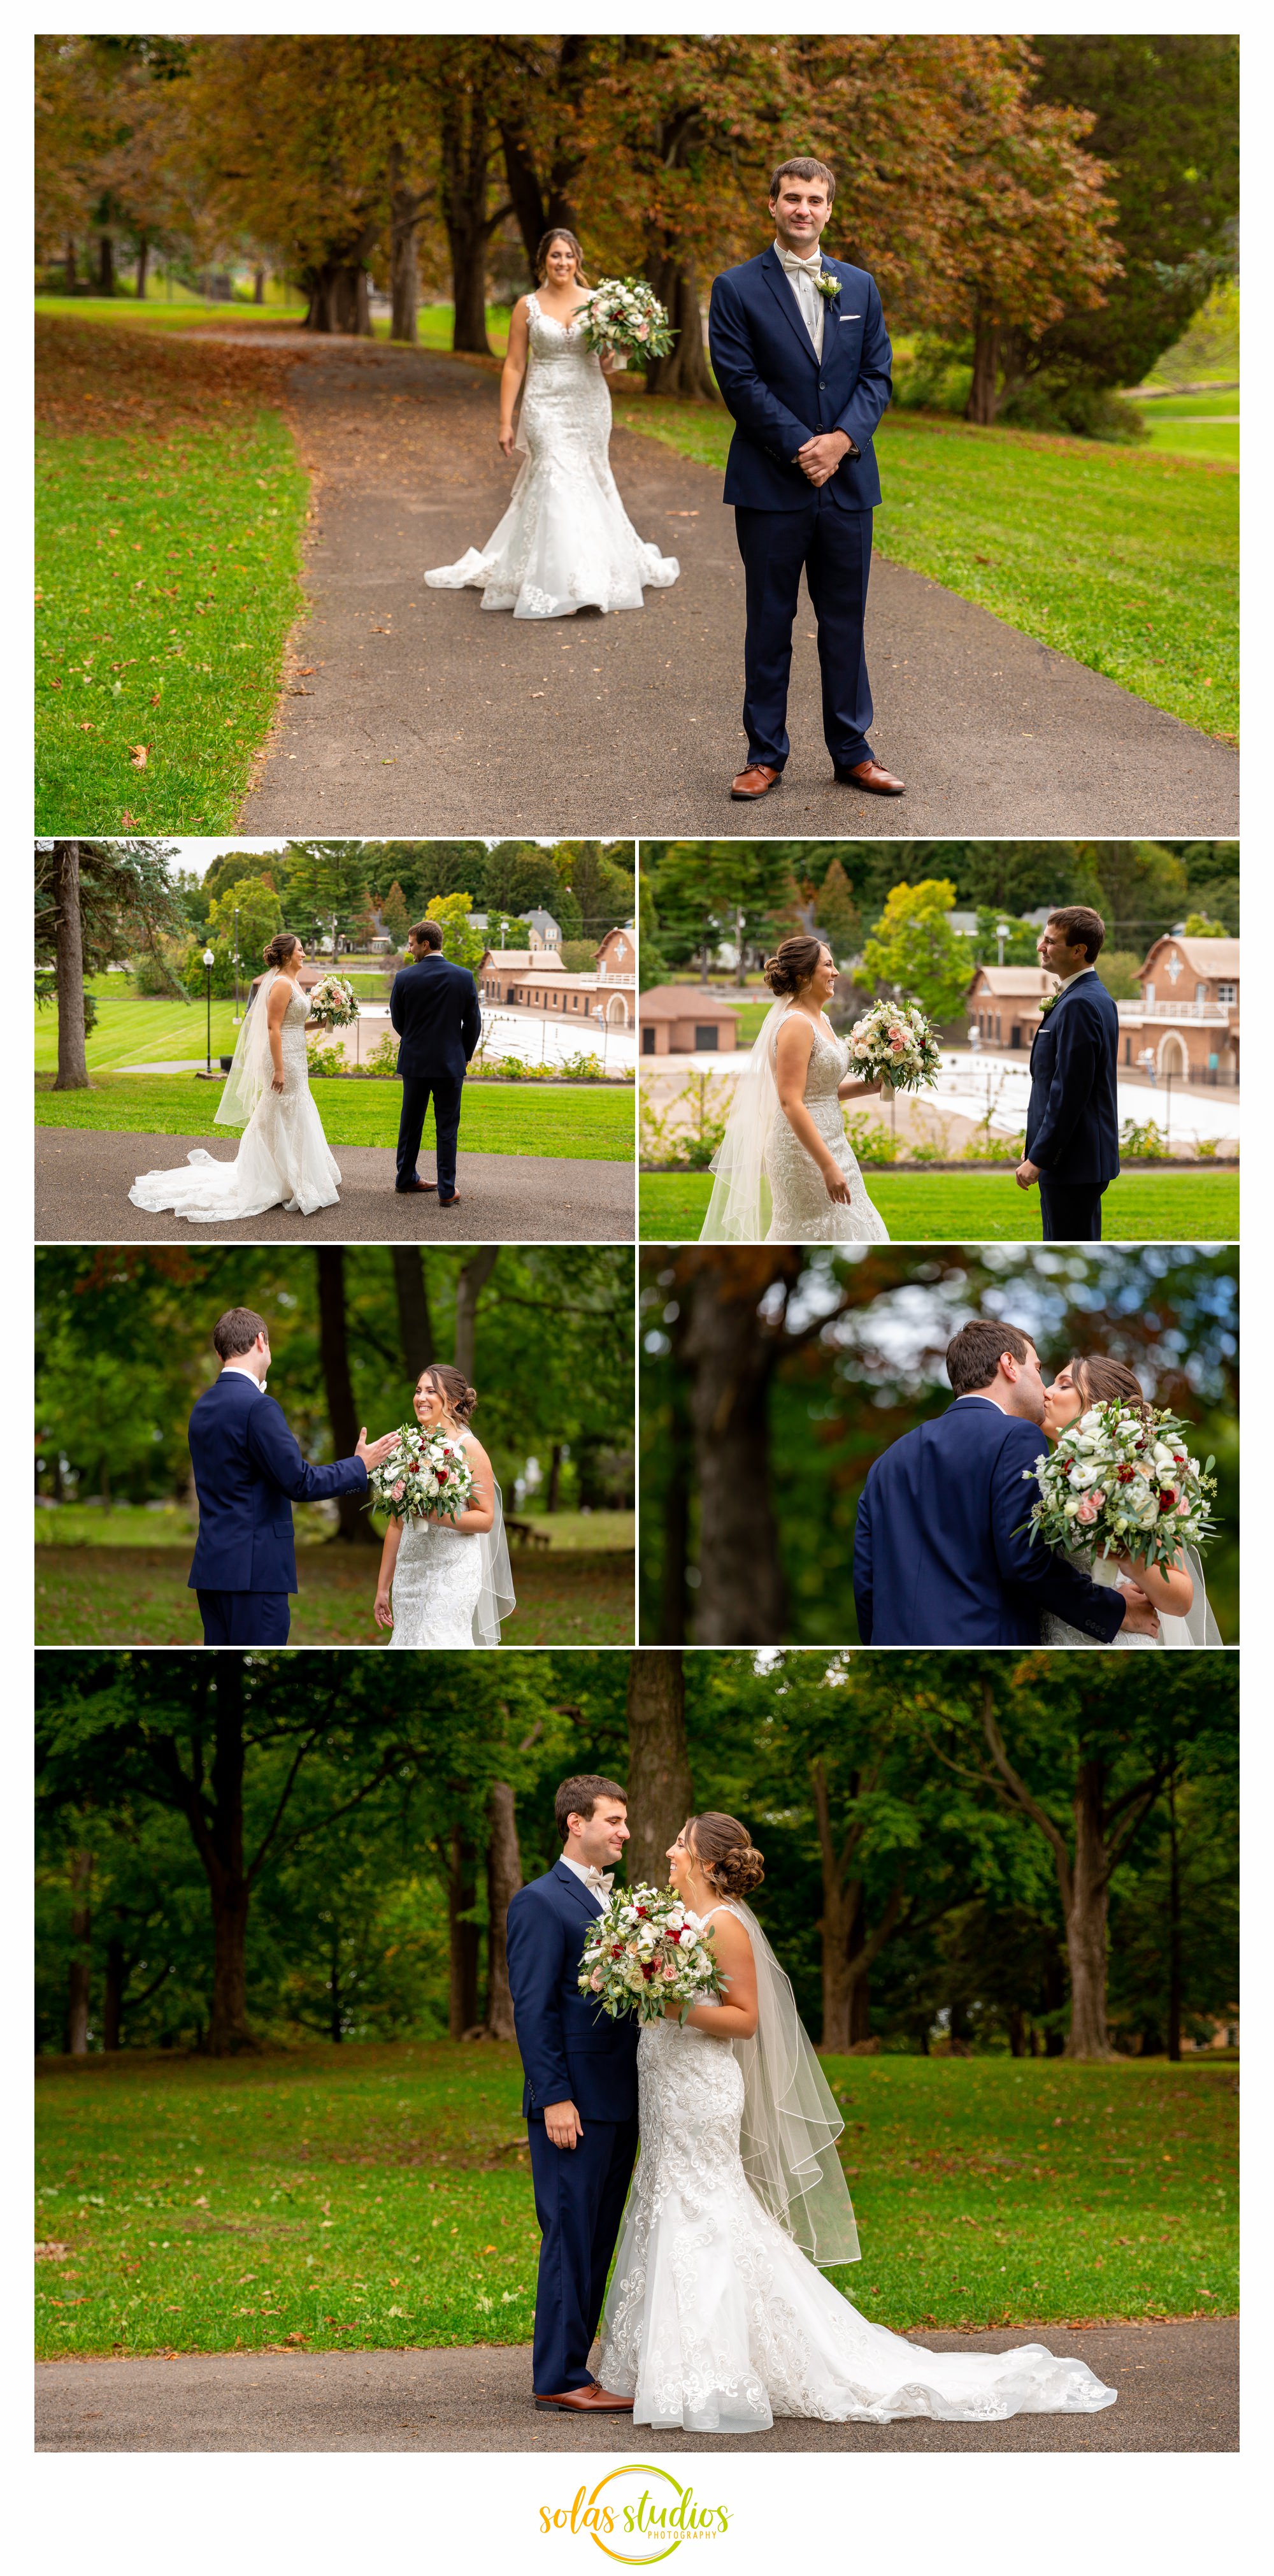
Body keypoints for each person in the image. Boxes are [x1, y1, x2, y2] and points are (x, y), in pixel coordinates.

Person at [594, 1813, 1118, 2431]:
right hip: (665, 2088)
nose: (668, 1850)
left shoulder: (724, 1924)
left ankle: (712, 2372)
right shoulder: (673, 1922)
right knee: (671, 2201)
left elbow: (745, 2019)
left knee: (704, 2210)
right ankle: (676, 2362)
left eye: (680, 1843)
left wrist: (670, 2004)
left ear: (706, 1862)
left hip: (700, 2092)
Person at [708, 156, 902, 805]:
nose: (803, 209)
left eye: (815, 200)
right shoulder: (736, 288)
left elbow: (876, 375)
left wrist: (841, 441)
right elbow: (739, 381)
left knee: (845, 622)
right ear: (772, 205)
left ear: (828, 210)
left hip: (848, 486)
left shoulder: (860, 287)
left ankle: (853, 751)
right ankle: (764, 755)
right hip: (770, 485)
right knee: (769, 622)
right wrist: (802, 449)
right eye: (792, 197)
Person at [853, 1320, 1164, 1647]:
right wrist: (1116, 1611)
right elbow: (1025, 1562)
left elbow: (866, 1584)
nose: (1044, 1387)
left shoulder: (887, 1462)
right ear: (1009, 1365)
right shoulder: (1015, 1436)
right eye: (1038, 1368)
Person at [424, 227, 679, 619]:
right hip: (544, 405)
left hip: (589, 404)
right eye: (555, 255)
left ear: (578, 261)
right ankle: (559, 581)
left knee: (591, 480)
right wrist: (505, 421)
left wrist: (625, 348)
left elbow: (606, 365)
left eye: (569, 255)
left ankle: (590, 577)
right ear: (543, 260)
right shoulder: (527, 306)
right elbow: (514, 365)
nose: (563, 262)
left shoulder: (599, 304)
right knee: (554, 477)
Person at [505, 1776, 640, 2414]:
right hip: (573, 2105)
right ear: (575, 1822)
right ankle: (558, 2376)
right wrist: (554, 2097)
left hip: (619, 2099)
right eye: (613, 1820)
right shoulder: (539, 1901)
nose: (625, 1832)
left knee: (596, 2238)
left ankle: (575, 2365)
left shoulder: (613, 1903)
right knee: (568, 2235)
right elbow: (533, 2010)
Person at [185, 1307, 396, 1646]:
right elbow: (300, 1482)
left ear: (220, 1353)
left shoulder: (203, 1408)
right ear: (261, 1341)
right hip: (255, 1574)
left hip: (212, 1570)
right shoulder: (259, 1406)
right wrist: (361, 1465)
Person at [130, 933, 341, 1223]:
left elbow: (292, 1025)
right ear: (286, 956)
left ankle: (293, 1173)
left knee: (294, 1109)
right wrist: (279, 1069)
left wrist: (323, 1022)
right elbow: (273, 1028)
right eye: (300, 950)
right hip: (282, 1059)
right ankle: (280, 1176)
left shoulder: (292, 982)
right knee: (283, 1109)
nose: (304, 954)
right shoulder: (281, 983)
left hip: (296, 1055)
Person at [700, 934, 888, 1241]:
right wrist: (827, 1166)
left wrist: (867, 1087)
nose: (836, 972)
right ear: (803, 976)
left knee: (855, 1222)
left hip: (835, 1142)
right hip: (803, 1151)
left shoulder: (821, 1019)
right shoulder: (796, 1024)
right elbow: (790, 1101)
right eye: (828, 965)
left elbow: (818, 1092)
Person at [1038, 1355, 1220, 1648]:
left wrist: (1132, 1563)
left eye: (1064, 1385)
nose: (1046, 1391)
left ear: (1101, 1405)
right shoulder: (1040, 1473)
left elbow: (1182, 1599)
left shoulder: (1137, 1476)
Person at [372, 1364, 515, 1648]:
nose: (421, 1398)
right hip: (410, 1572)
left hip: (452, 1569)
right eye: (418, 1391)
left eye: (431, 1391)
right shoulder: (408, 1447)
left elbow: (486, 1519)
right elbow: (396, 1525)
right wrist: (382, 1588)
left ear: (454, 1401)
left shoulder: (469, 1448)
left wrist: (438, 1516)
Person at [1017, 908, 1120, 1241]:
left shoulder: (1080, 1004)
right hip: (1075, 1159)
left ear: (1079, 951)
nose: (1041, 947)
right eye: (1043, 939)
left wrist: (1041, 1157)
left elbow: (1069, 1092)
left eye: (1051, 941)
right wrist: (1035, 1143)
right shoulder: (1090, 997)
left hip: (1071, 1162)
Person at [389, 921, 482, 1205]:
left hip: (415, 1062)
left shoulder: (404, 978)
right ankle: (447, 1190)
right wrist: (463, 1055)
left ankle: (406, 1178)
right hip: (450, 1064)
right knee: (447, 1127)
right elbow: (474, 1023)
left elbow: (398, 1020)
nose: (409, 949)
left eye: (411, 944)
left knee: (410, 1123)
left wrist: (415, 1040)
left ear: (425, 944)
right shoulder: (463, 977)